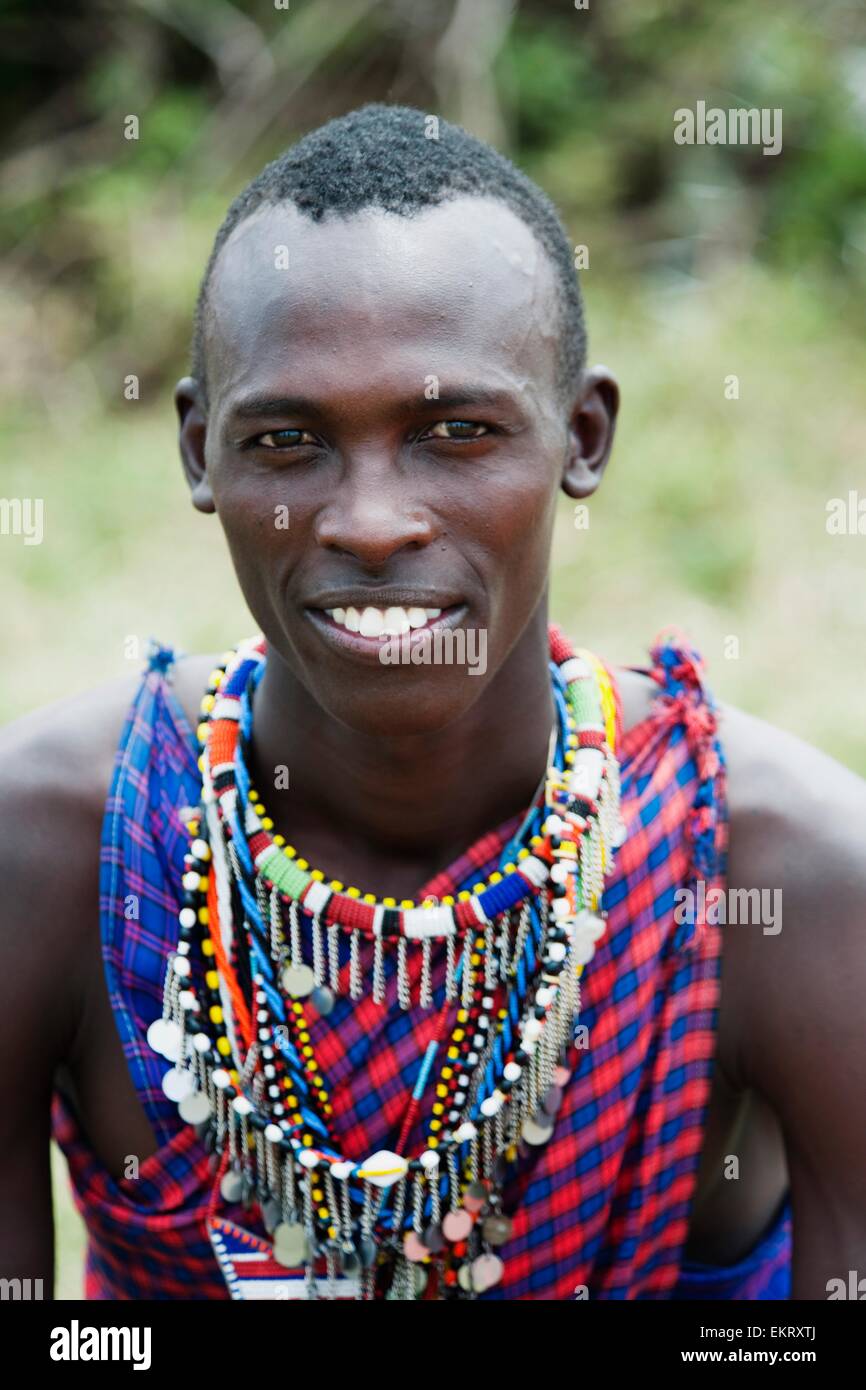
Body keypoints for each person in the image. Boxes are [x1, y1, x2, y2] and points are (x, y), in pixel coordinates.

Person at [2, 104, 864, 1302]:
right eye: (289, 438)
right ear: (201, 454)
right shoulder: (57, 845)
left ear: (582, 434)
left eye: (455, 431)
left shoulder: (786, 873)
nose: (368, 519)